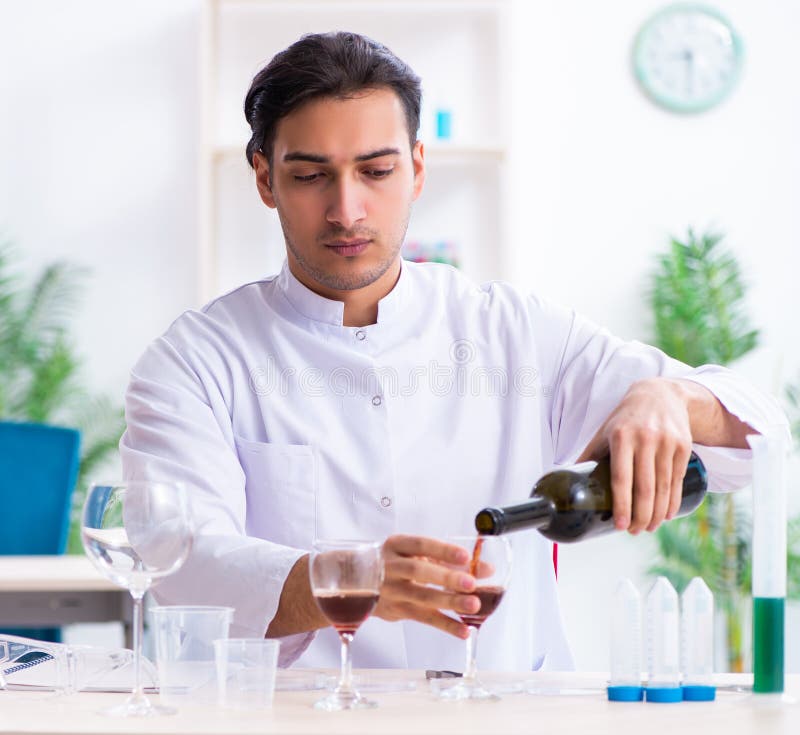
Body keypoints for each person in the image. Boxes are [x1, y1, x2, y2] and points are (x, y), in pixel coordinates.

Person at [121, 31, 788, 672]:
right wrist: (345, 575)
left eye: (376, 170)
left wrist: (670, 396)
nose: (347, 209)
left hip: (511, 710)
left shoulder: (518, 332)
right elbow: (181, 567)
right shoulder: (195, 361)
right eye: (310, 176)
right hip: (300, 716)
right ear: (264, 178)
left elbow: (761, 439)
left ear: (415, 167)